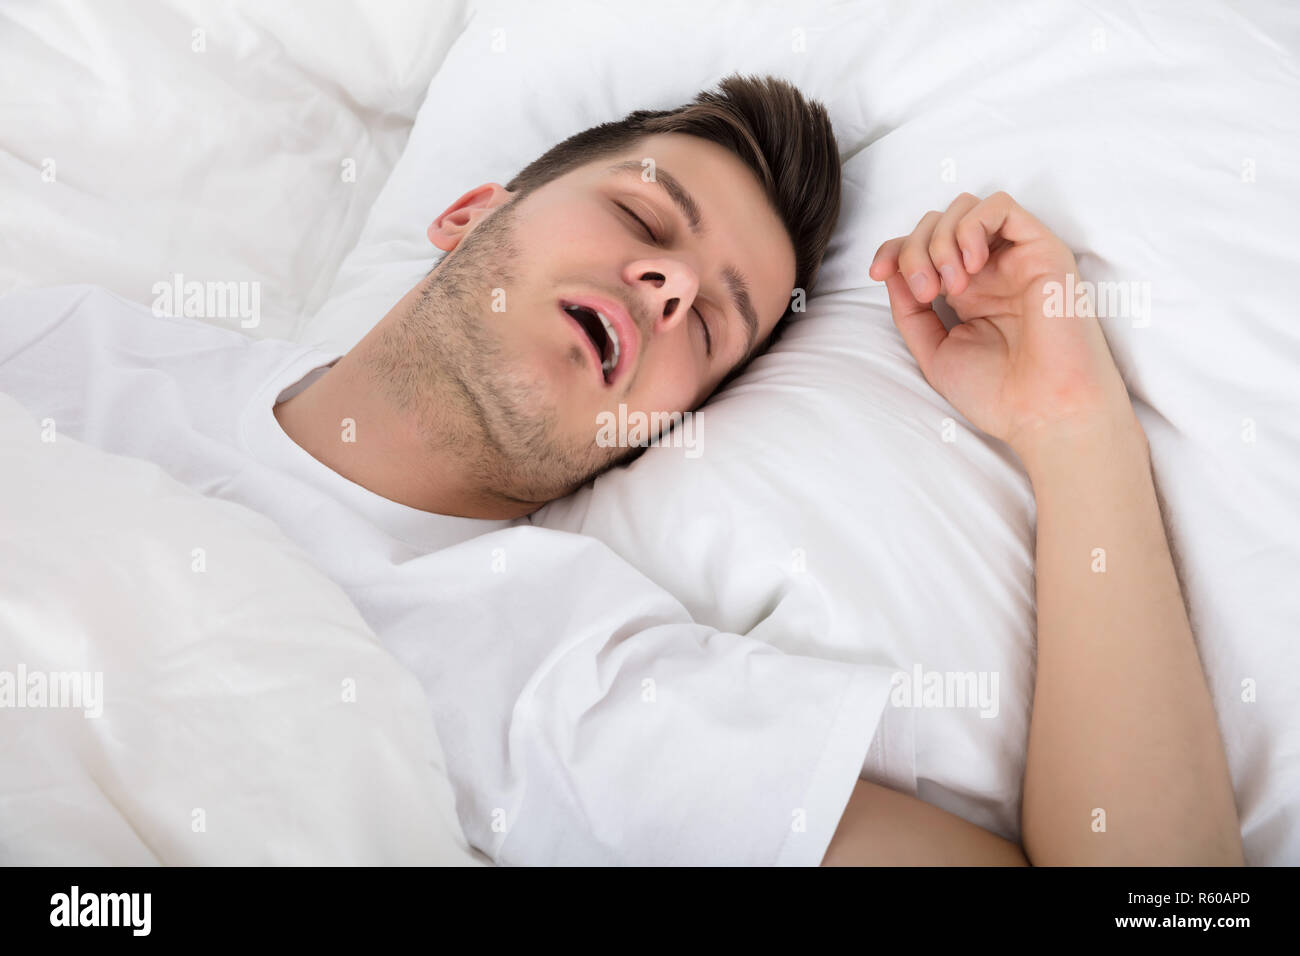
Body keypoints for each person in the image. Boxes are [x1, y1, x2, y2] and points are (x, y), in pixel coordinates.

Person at [0, 73, 1241, 865]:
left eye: (709, 326)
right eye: (645, 222)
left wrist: (1074, 428)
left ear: (655, 431)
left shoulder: (573, 678)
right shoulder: (73, 349)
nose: (670, 284)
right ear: (468, 212)